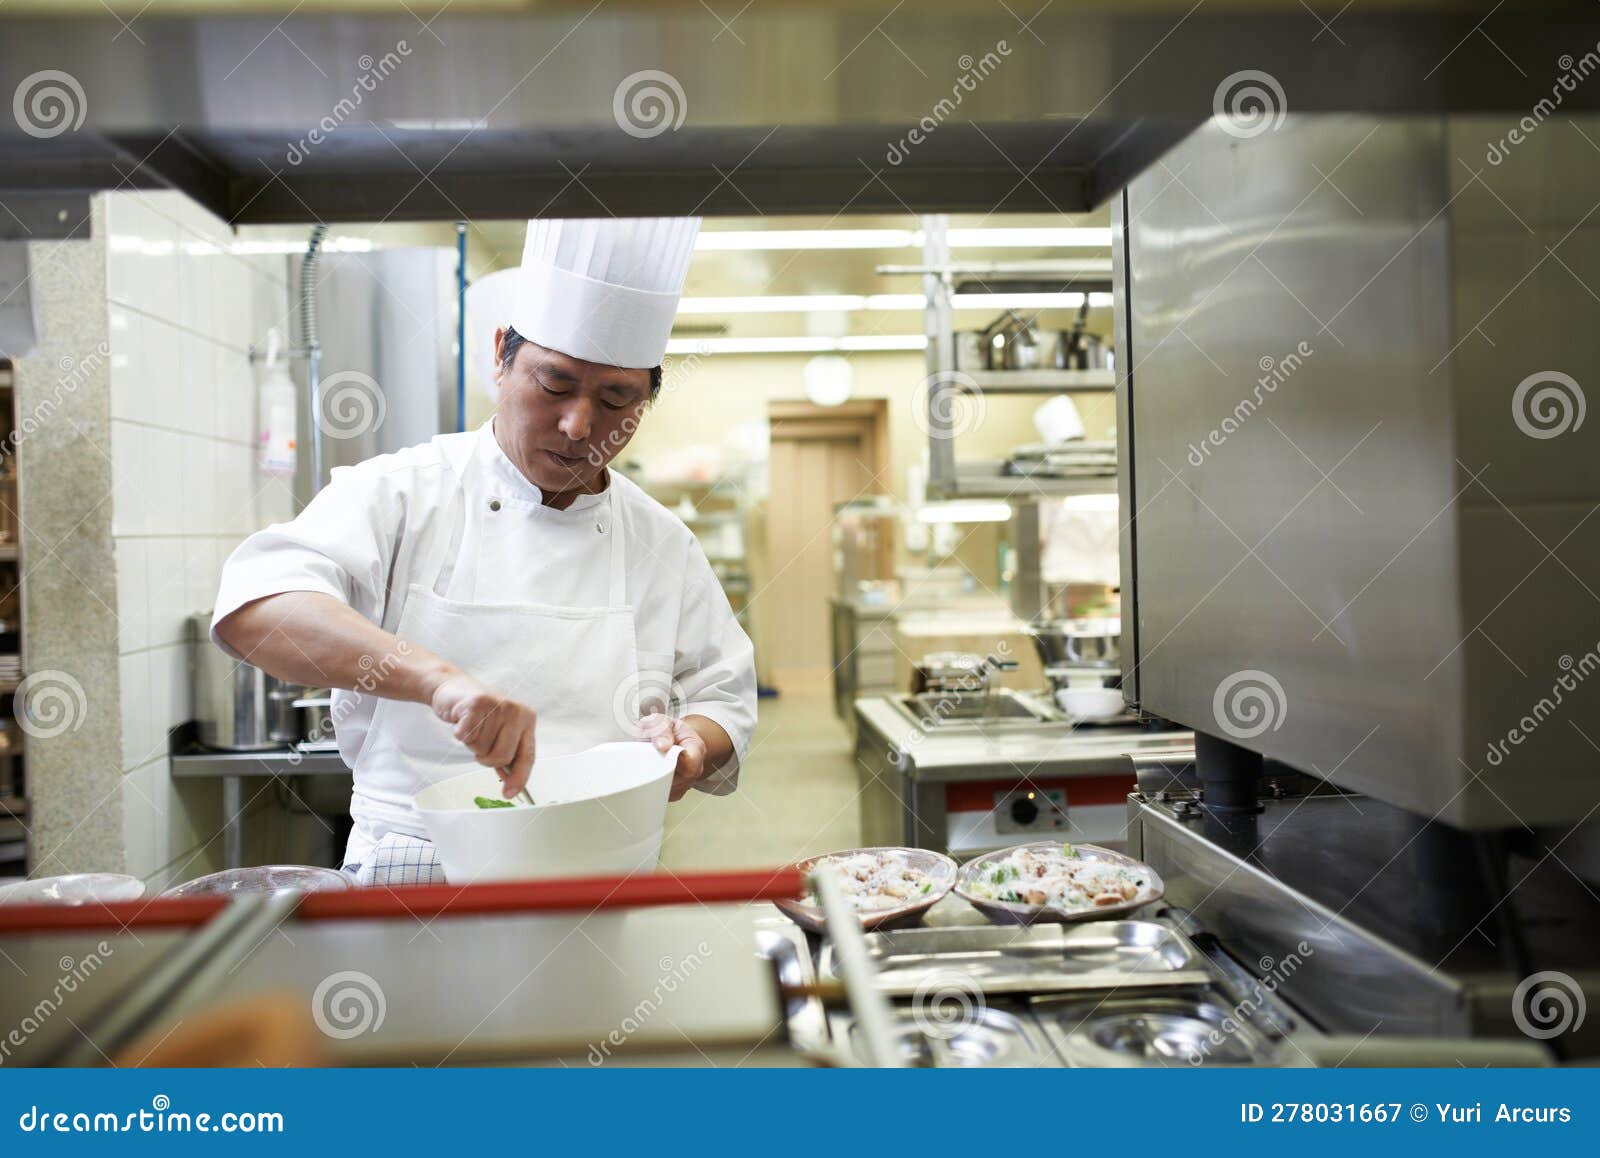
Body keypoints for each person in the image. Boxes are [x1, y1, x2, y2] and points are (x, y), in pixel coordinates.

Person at [211, 217, 755, 885]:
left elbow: (724, 696)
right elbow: (255, 610)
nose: (578, 425)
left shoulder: (662, 543)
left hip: (606, 871)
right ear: (501, 355)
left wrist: (693, 742)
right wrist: (437, 681)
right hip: (416, 866)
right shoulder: (402, 493)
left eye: (617, 399)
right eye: (554, 385)